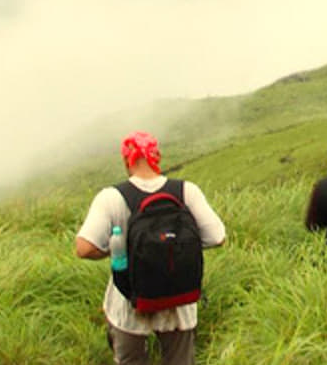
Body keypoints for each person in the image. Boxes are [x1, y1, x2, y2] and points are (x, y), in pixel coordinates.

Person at [75, 131, 227, 365]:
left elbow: (84, 248)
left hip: (129, 303)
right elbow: (217, 237)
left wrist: (119, 250)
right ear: (157, 157)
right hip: (179, 302)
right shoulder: (186, 191)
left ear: (127, 160)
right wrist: (178, 246)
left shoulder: (111, 197)